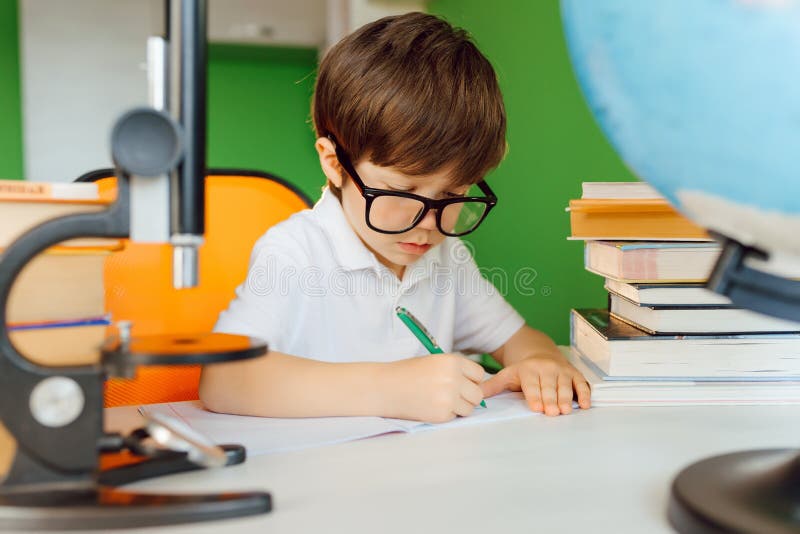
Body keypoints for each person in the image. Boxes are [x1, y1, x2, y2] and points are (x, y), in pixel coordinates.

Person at [200, 12, 591, 423]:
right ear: (334, 163)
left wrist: (542, 362)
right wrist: (387, 389)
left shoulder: (448, 259)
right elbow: (223, 378)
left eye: (452, 194)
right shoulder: (295, 252)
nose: (427, 222)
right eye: (403, 191)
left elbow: (520, 340)